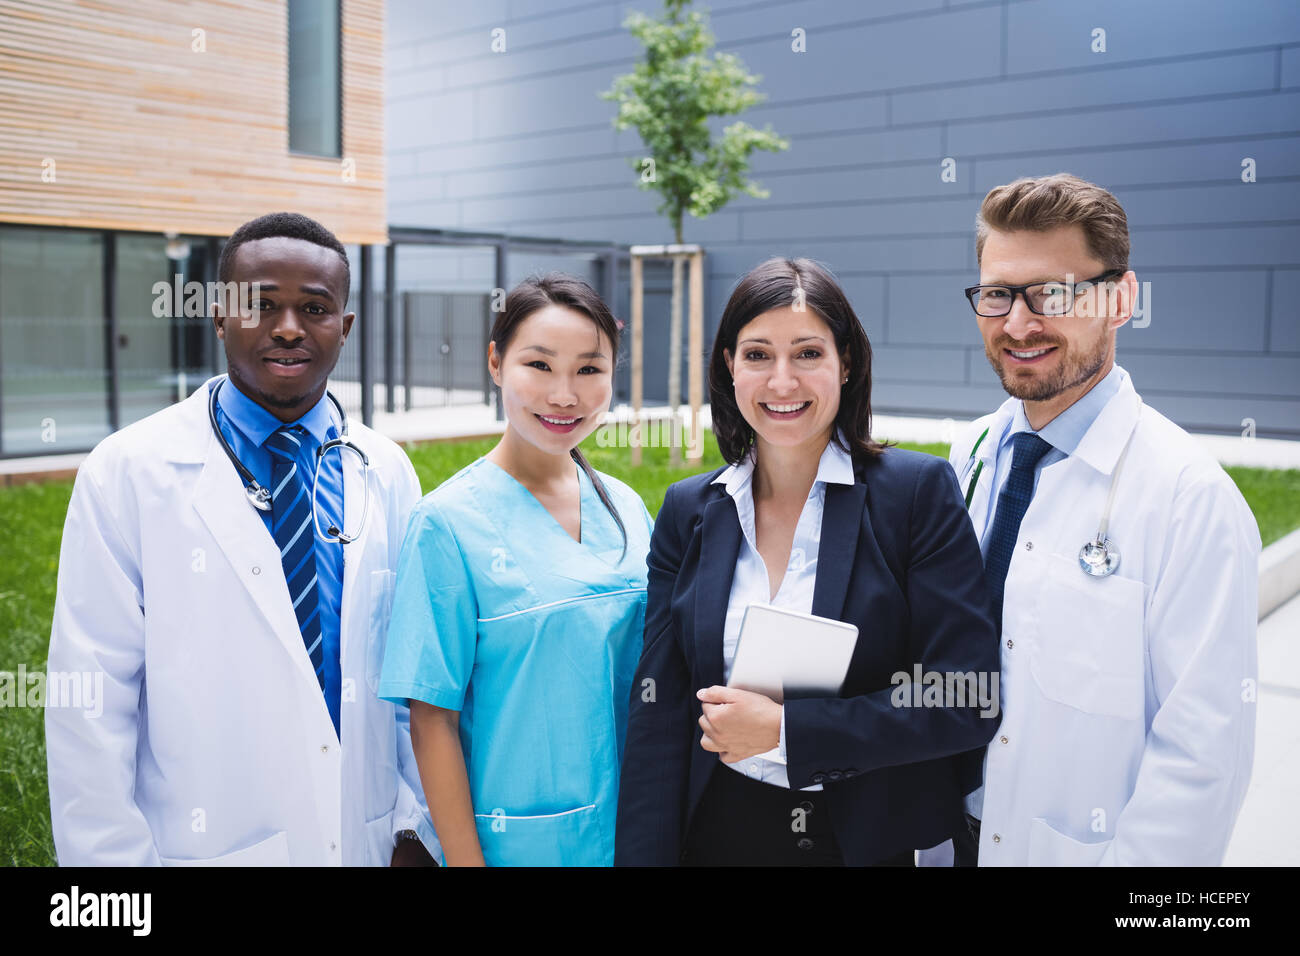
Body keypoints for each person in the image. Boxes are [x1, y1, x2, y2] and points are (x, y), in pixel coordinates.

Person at [45, 212, 438, 866]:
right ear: (219, 317)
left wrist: (414, 825)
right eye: (259, 305)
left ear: (345, 326)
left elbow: (411, 674)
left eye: (314, 307)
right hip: (206, 844)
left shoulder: (385, 469)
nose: (287, 327)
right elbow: (90, 704)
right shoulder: (129, 472)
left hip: (368, 838)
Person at [615, 257, 1001, 866]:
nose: (783, 382)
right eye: (758, 355)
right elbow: (659, 711)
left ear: (846, 363)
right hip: (715, 829)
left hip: (861, 841)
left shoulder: (916, 494)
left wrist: (787, 731)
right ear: (729, 366)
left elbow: (964, 695)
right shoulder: (688, 509)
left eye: (808, 354)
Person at [948, 173, 1259, 866]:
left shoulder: (1189, 500)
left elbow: (1201, 757)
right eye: (998, 293)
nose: (1019, 324)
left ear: (1120, 300)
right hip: (952, 836)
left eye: (1053, 293)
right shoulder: (973, 451)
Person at [377, 274, 654, 867]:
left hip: (637, 832)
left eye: (589, 369)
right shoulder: (448, 523)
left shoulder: (627, 509)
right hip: (517, 845)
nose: (564, 395)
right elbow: (431, 722)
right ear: (496, 363)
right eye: (539, 365)